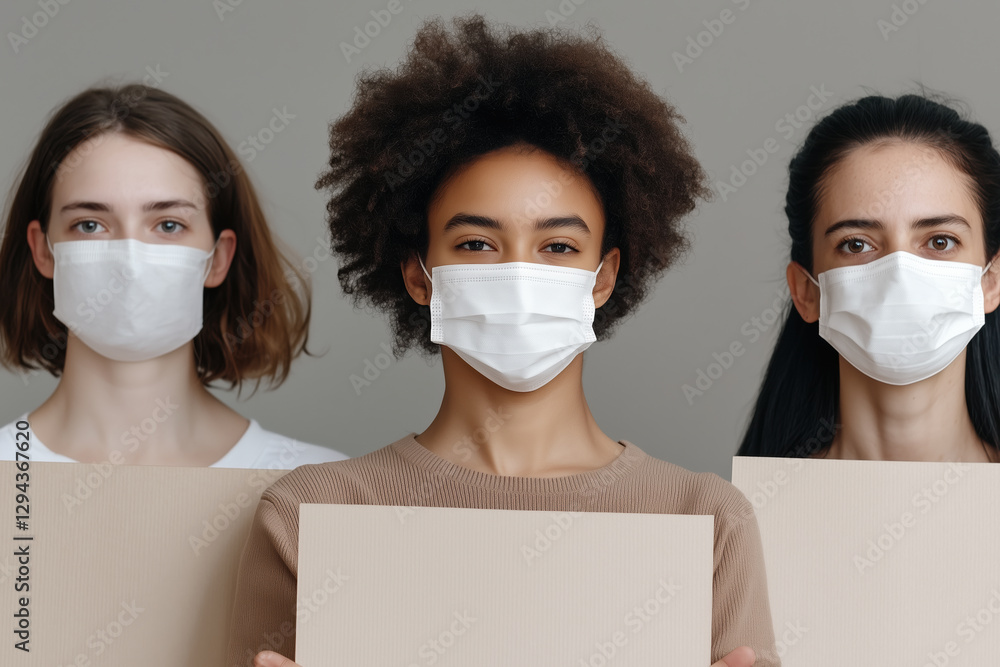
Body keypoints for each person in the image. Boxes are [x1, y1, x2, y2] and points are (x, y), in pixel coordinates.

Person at [228, 15, 777, 667]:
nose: (519, 274)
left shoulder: (707, 520)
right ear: (418, 274)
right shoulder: (309, 515)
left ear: (602, 278)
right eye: (476, 244)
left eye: (559, 246)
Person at [0, 84, 347, 468]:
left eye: (167, 225)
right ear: (43, 249)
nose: (129, 261)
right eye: (89, 225)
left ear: (218, 258)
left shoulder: (311, 486)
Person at [739, 93, 1000, 463]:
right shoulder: (744, 513)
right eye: (857, 244)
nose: (899, 275)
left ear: (992, 280)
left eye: (940, 241)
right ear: (805, 291)